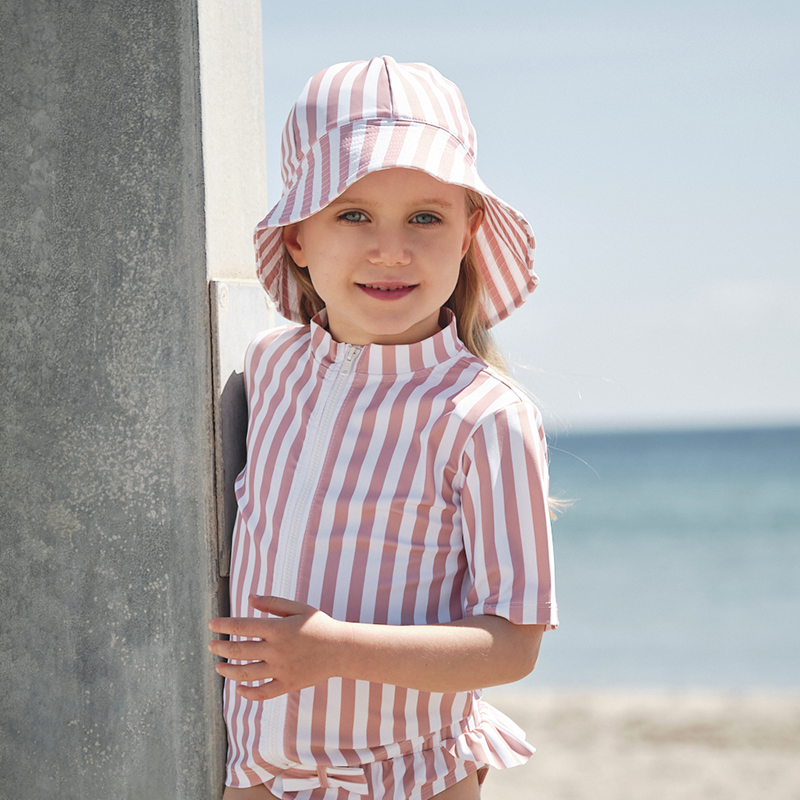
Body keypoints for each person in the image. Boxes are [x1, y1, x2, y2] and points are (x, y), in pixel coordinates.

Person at [208, 56, 558, 800]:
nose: (391, 249)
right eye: (353, 213)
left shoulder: (484, 416)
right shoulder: (269, 367)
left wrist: (334, 650)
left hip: (407, 777)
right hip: (258, 774)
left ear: (468, 233)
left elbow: (513, 643)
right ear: (298, 236)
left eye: (425, 217)